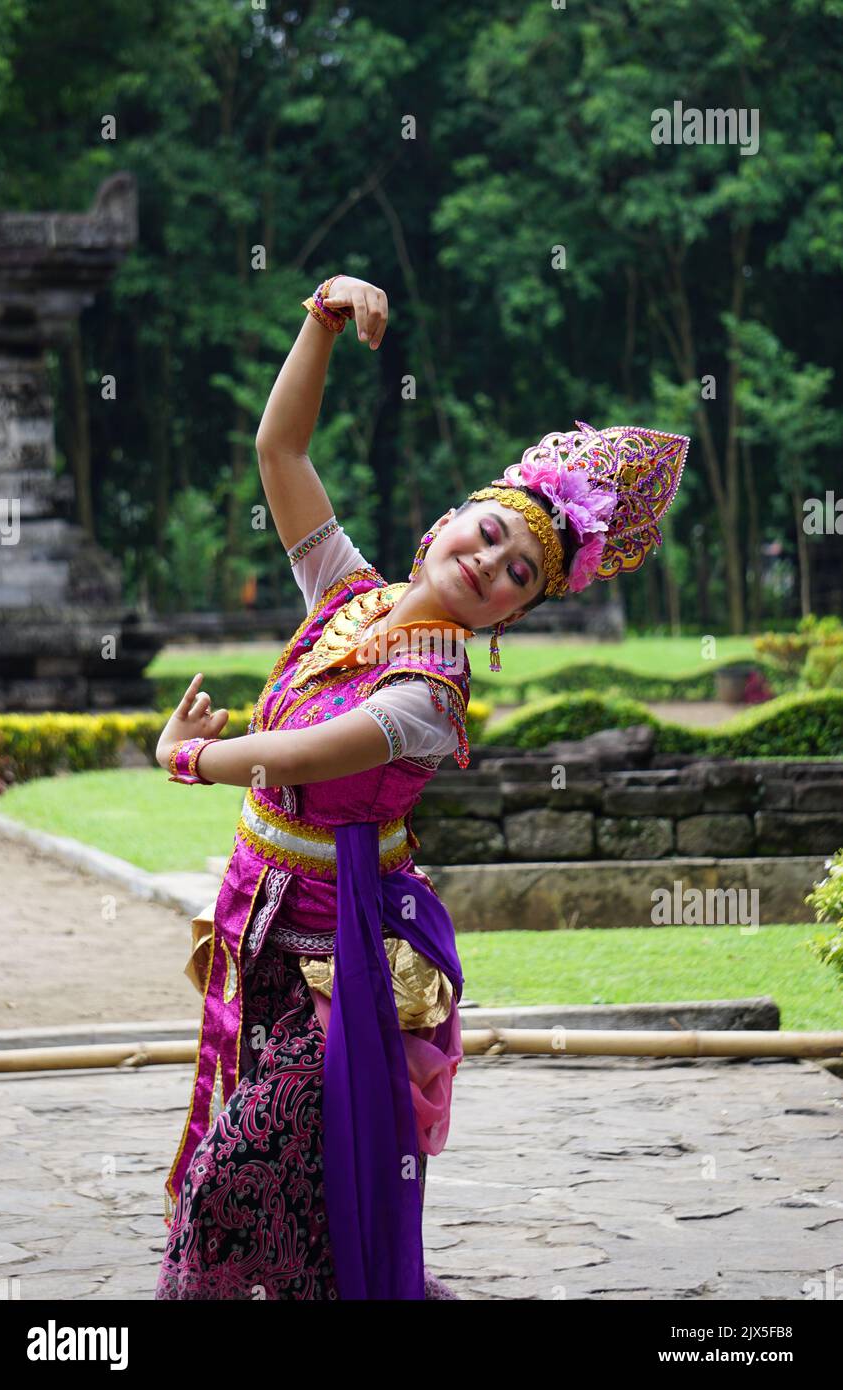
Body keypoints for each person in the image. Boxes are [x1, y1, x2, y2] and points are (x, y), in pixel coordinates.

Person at [152, 273, 690, 1301]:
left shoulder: (432, 697)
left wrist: (189, 757)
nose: (489, 561)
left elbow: (309, 756)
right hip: (262, 923)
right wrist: (318, 321)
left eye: (518, 572)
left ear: (512, 615)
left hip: (352, 955)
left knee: (245, 1170)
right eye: (487, 532)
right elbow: (282, 452)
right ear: (448, 520)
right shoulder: (347, 592)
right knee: (285, 1179)